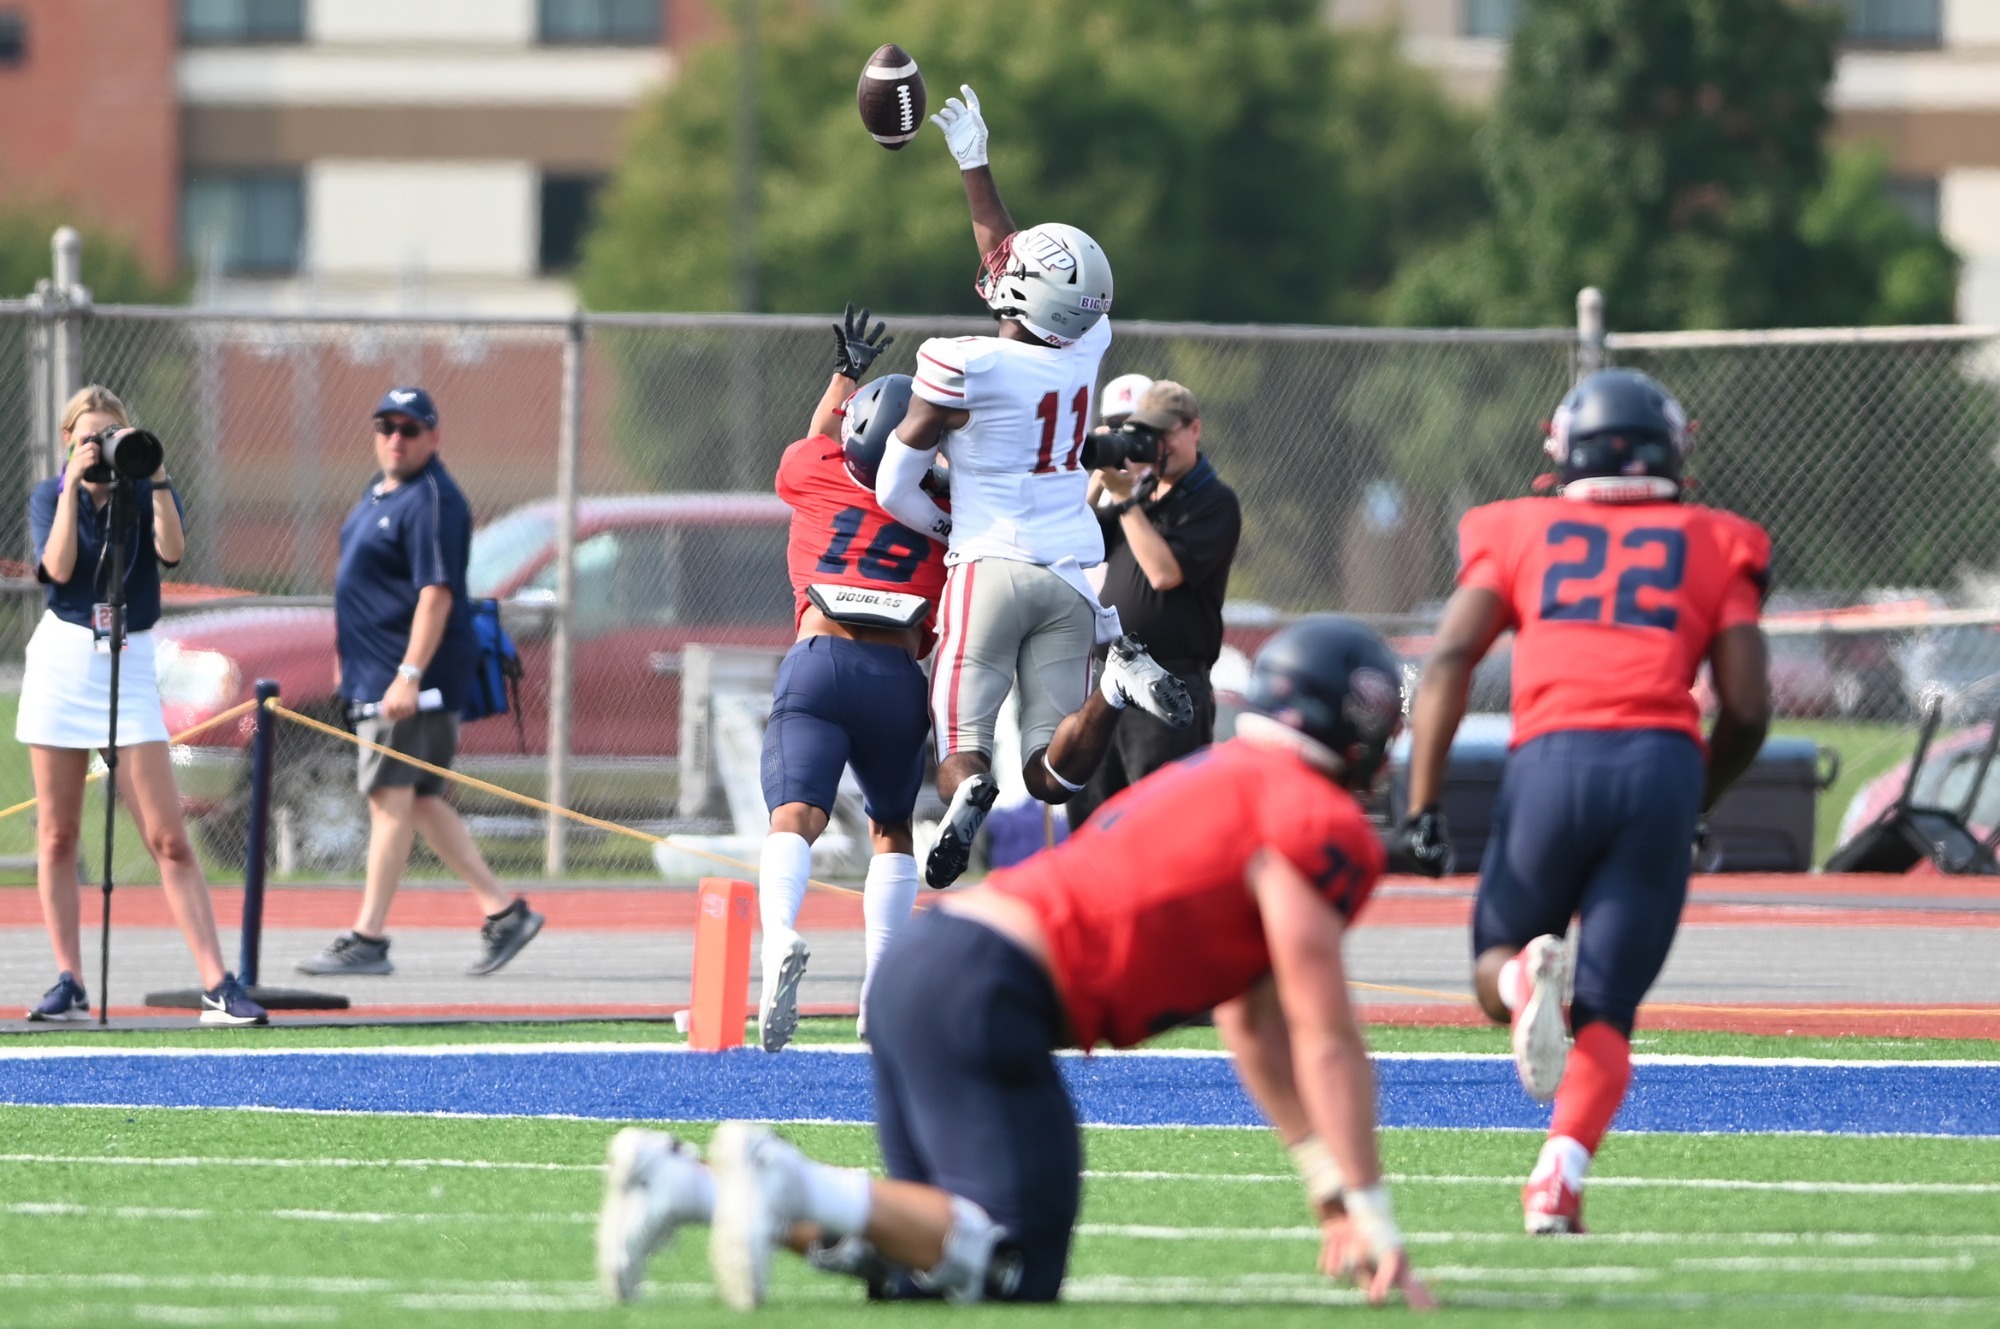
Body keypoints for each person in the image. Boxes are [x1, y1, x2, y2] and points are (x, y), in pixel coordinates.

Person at [597, 616, 1434, 1312]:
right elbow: (1322, 1033)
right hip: (989, 989)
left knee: (928, 1254)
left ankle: (685, 1184)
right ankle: (780, 1174)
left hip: (932, 962)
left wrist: (1326, 1178)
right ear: (1351, 721)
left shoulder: (1224, 775)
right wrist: (1375, 1211)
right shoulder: (1316, 819)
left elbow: (1250, 1017)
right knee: (1011, 1259)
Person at [1397, 369, 1772, 1235]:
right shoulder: (1718, 538)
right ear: (1672, 451)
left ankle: (1528, 974)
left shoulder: (1517, 527)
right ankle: (1557, 1178)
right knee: (1608, 1007)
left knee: (1497, 965)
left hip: (1551, 761)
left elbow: (1450, 659)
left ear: (1566, 452)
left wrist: (1420, 800)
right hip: (1662, 764)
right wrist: (1698, 799)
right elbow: (1748, 705)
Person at [871, 84, 1193, 889]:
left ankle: (970, 791)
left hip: (988, 564)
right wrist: (974, 164)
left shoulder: (965, 363)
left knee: (962, 744)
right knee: (1055, 773)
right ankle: (1116, 688)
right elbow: (1013, 261)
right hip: (1071, 577)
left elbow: (894, 478)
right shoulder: (1087, 344)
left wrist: (933, 518)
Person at [19, 385, 266, 1025]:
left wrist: (152, 473)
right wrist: (76, 485)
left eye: (110, 437)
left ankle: (217, 984)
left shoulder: (145, 492)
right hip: (65, 661)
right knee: (57, 834)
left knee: (167, 834)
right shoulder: (51, 496)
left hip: (130, 662)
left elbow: (173, 551)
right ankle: (69, 979)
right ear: (68, 443)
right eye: (86, 439)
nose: (99, 450)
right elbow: (57, 567)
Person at [297, 388, 543, 978]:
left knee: (389, 802)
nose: (396, 439)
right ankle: (504, 912)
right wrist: (346, 654)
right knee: (423, 801)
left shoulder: (433, 499)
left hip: (409, 680)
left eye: (410, 429)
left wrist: (407, 675)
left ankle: (369, 939)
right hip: (375, 670)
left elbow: (436, 593)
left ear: (433, 437)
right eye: (386, 426)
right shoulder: (380, 491)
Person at [755, 304, 950, 1052]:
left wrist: (846, 374)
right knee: (891, 830)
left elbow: (816, 441)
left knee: (794, 817)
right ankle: (880, 994)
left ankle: (778, 936)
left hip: (822, 659)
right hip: (896, 675)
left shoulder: (815, 472)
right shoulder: (943, 510)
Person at [1068, 381, 1241, 830]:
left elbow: (1165, 573)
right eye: (1145, 434)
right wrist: (1099, 475)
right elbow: (1074, 543)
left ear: (1194, 430)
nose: (1154, 446)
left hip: (1169, 681)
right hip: (1110, 682)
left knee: (1163, 823)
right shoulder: (1141, 495)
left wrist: (1125, 498)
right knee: (1094, 818)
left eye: (1164, 434)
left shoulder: (1213, 500)